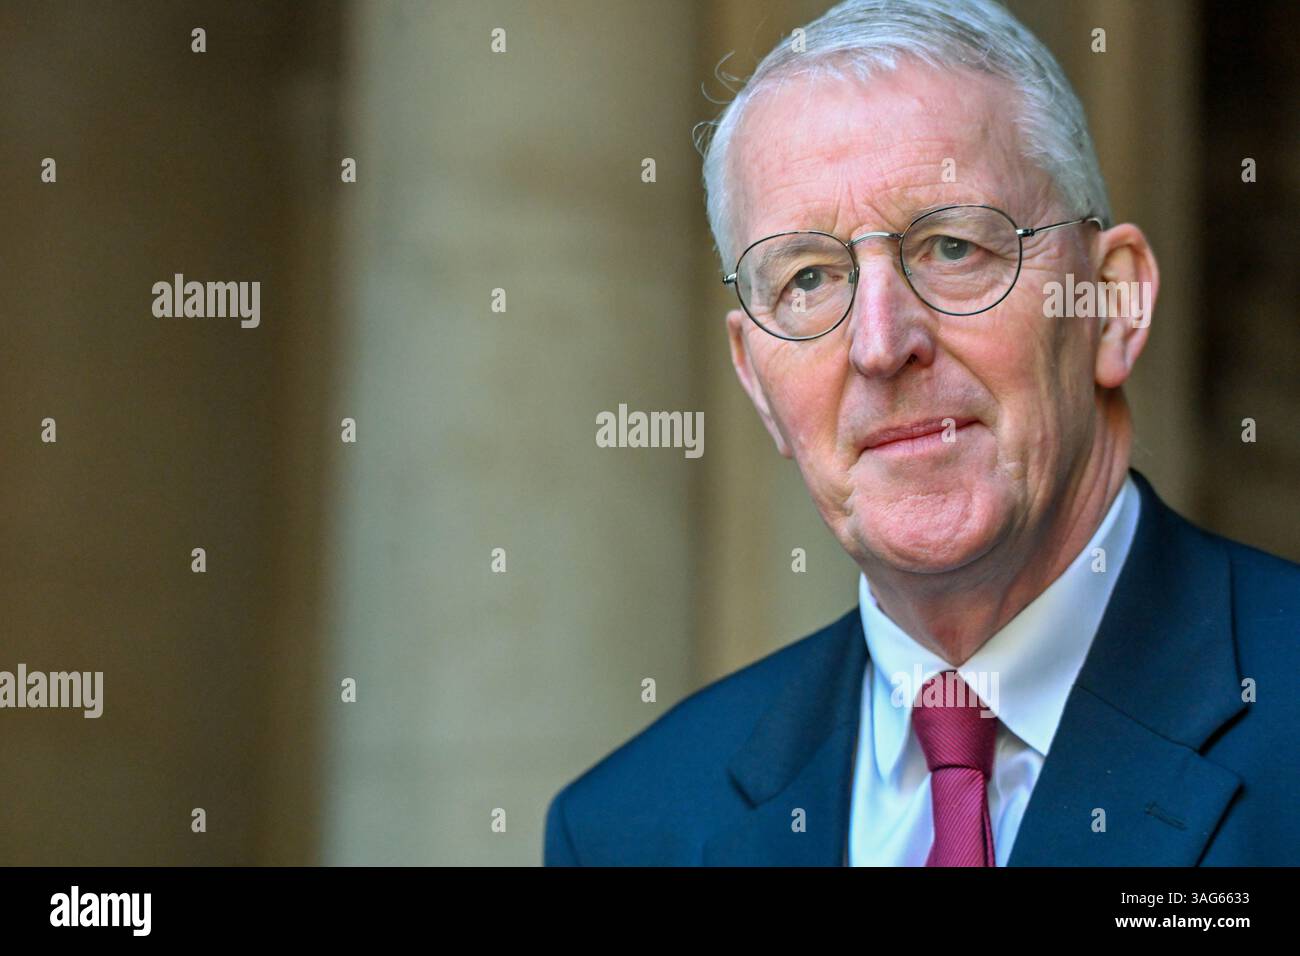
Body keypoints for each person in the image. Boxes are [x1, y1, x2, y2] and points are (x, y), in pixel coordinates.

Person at [543, 0, 1300, 866]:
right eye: (810, 278)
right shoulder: (627, 830)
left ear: (1111, 304)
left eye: (951, 249)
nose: (878, 345)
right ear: (755, 379)